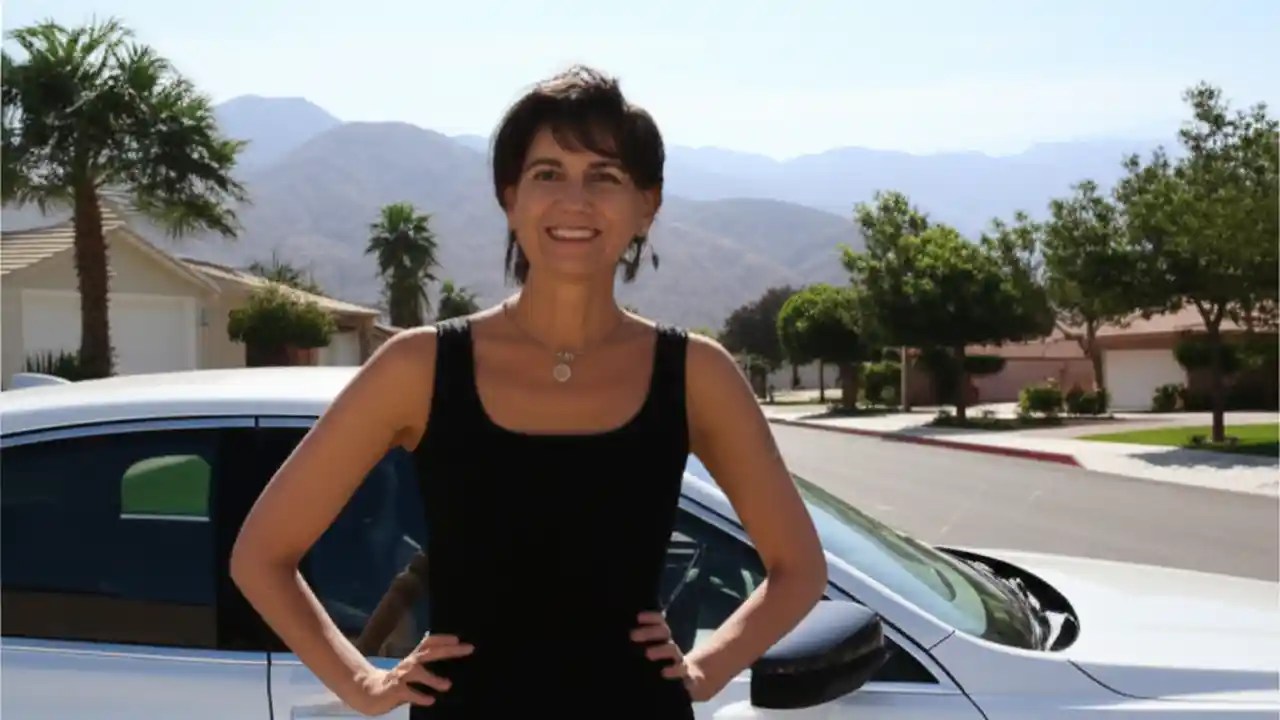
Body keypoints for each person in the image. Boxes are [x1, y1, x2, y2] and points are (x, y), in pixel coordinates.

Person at [230, 64, 826, 718]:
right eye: (548, 175)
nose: (576, 200)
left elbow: (798, 568)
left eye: (606, 177)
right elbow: (262, 555)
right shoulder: (420, 368)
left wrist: (706, 669)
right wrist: (363, 685)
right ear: (510, 197)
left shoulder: (696, 374)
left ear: (646, 205)